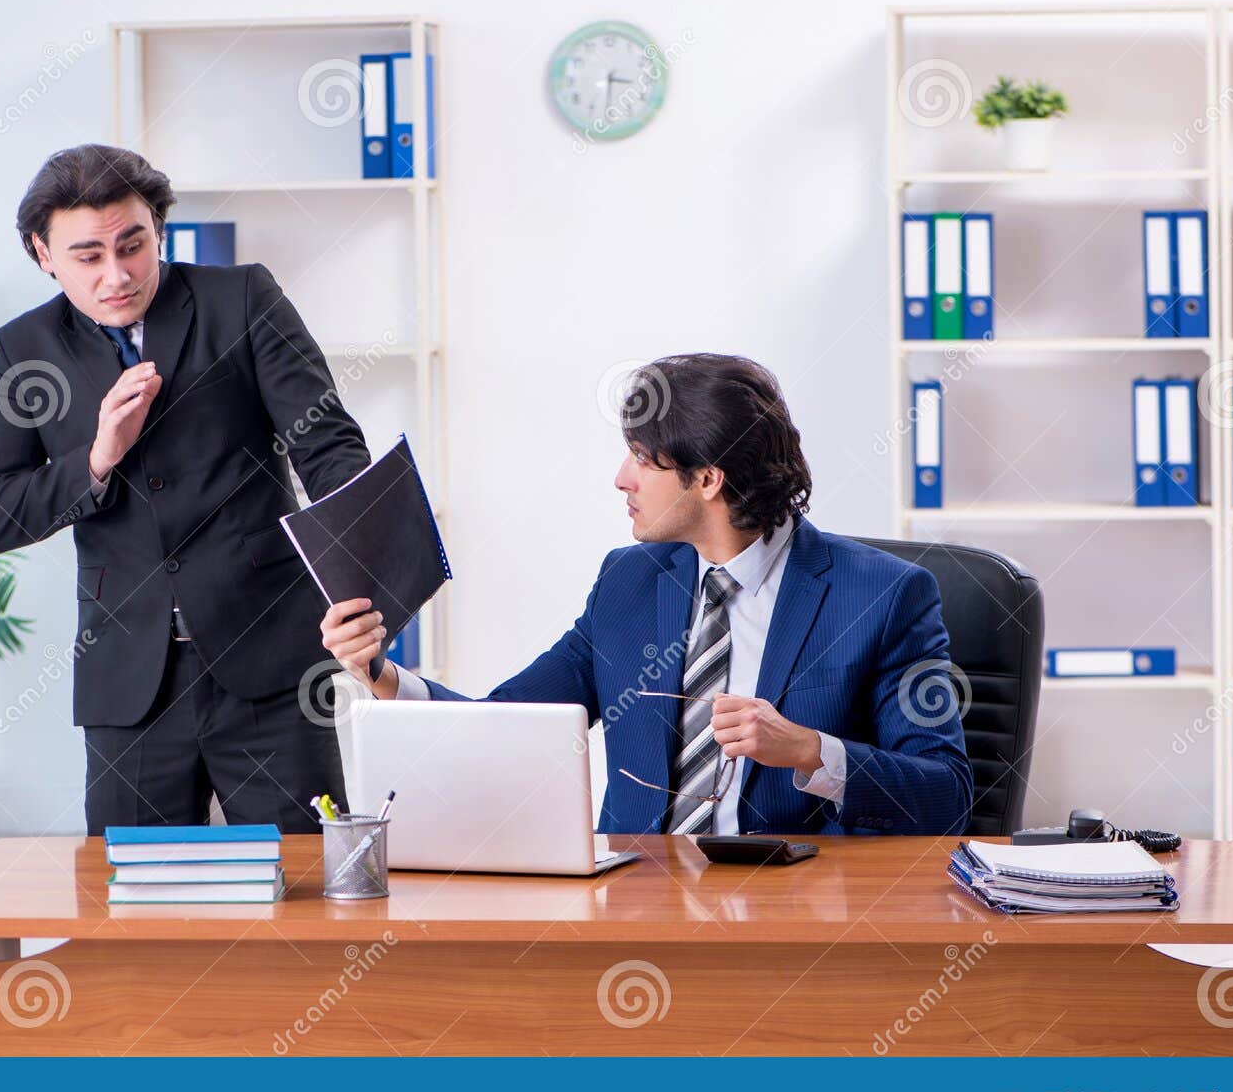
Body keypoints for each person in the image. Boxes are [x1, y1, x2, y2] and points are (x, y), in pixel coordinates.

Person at [322, 353, 971, 836]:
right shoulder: (628, 583)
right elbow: (507, 723)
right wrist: (379, 673)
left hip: (790, 920)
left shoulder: (883, 596)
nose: (620, 479)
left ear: (708, 478)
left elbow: (948, 796)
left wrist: (809, 751)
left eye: (641, 458)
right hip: (632, 908)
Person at [0, 143, 369, 834]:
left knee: (304, 897)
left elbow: (329, 448)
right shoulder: (24, 349)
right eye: (88, 257)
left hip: (271, 668)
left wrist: (358, 575)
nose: (116, 275)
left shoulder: (241, 300)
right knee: (137, 910)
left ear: (159, 230)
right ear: (43, 254)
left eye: (133, 245)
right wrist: (95, 458)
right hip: (127, 682)